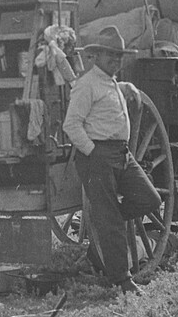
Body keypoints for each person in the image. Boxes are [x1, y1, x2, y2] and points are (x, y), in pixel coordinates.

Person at [63, 24, 163, 295]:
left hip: (122, 154)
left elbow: (112, 90)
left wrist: (127, 85)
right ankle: (122, 279)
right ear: (95, 56)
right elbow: (71, 125)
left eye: (119, 56)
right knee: (110, 219)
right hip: (97, 156)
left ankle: (107, 224)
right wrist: (93, 152)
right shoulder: (86, 85)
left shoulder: (110, 83)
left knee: (150, 199)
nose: (116, 61)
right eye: (110, 56)